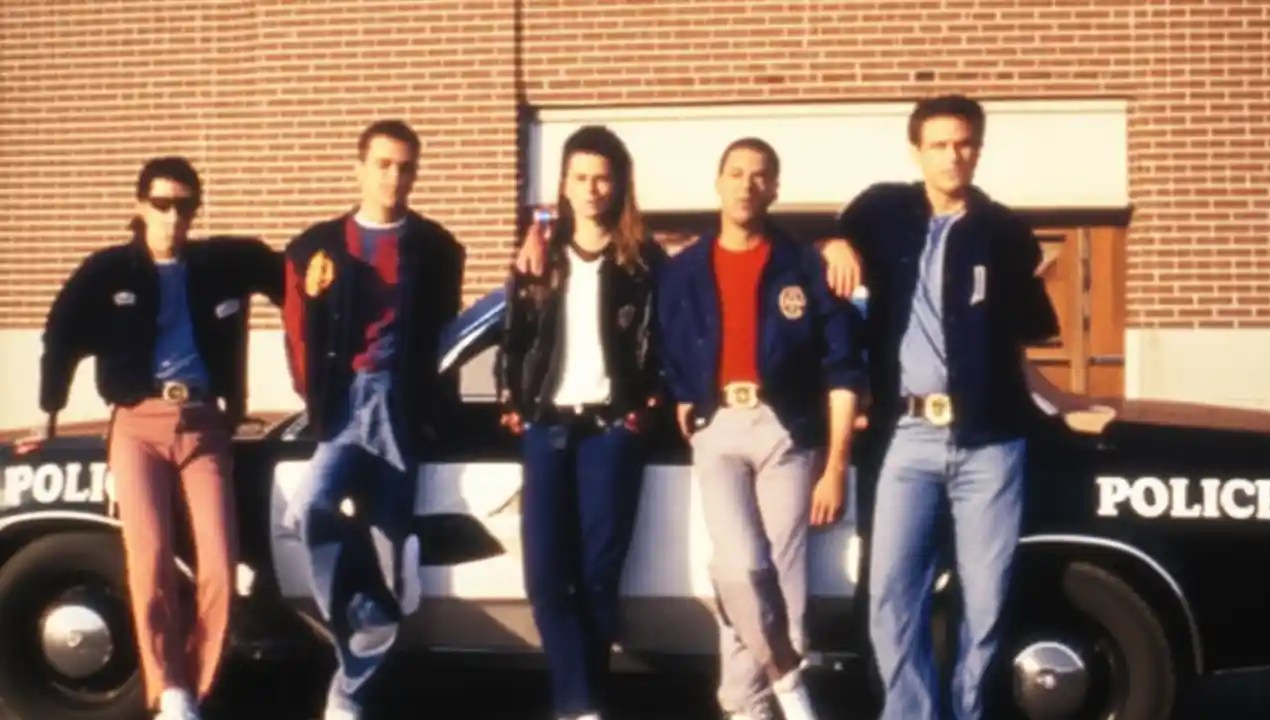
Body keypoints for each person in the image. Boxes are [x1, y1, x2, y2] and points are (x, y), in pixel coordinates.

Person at [19, 156, 284, 720]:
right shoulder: (110, 270)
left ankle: (197, 685)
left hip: (204, 427)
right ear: (140, 207)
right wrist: (49, 411)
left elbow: (294, 275)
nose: (173, 216)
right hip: (137, 424)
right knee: (152, 559)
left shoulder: (220, 264)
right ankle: (171, 692)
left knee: (219, 563)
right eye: (161, 204)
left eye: (185, 205)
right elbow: (60, 331)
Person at [834, 94, 1060, 720]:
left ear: (978, 149)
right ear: (917, 150)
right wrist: (835, 244)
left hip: (991, 442)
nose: (952, 154)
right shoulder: (881, 211)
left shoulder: (1004, 230)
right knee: (890, 594)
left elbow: (1028, 332)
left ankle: (967, 712)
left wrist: (1065, 401)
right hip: (907, 436)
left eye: (963, 143)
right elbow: (838, 244)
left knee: (986, 600)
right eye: (939, 143)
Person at [658, 137, 862, 720]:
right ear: (717, 183)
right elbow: (664, 348)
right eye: (736, 173)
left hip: (788, 430)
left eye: (760, 175)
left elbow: (842, 365)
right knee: (741, 569)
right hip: (718, 425)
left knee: (785, 581)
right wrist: (682, 394)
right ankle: (788, 687)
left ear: (775, 187)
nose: (747, 184)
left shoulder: (805, 266)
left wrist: (835, 464)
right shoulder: (683, 271)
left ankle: (745, 707)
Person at [281, 119, 466, 720]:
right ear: (359, 168)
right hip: (342, 405)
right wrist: (313, 397)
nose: (395, 176)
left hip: (400, 405)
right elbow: (295, 332)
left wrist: (435, 414)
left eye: (406, 166)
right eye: (383, 164)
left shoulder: (438, 248)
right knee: (313, 507)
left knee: (388, 555)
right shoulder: (315, 245)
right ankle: (365, 624)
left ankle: (350, 693)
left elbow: (444, 339)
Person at [494, 125, 664, 720]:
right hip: (548, 429)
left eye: (602, 178)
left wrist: (647, 407)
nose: (592, 189)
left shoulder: (643, 262)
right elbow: (512, 340)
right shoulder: (537, 257)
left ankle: (579, 706)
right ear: (563, 185)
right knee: (545, 579)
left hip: (612, 433)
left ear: (619, 184)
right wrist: (510, 399)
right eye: (580, 177)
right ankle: (582, 705)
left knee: (596, 580)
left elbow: (663, 345)